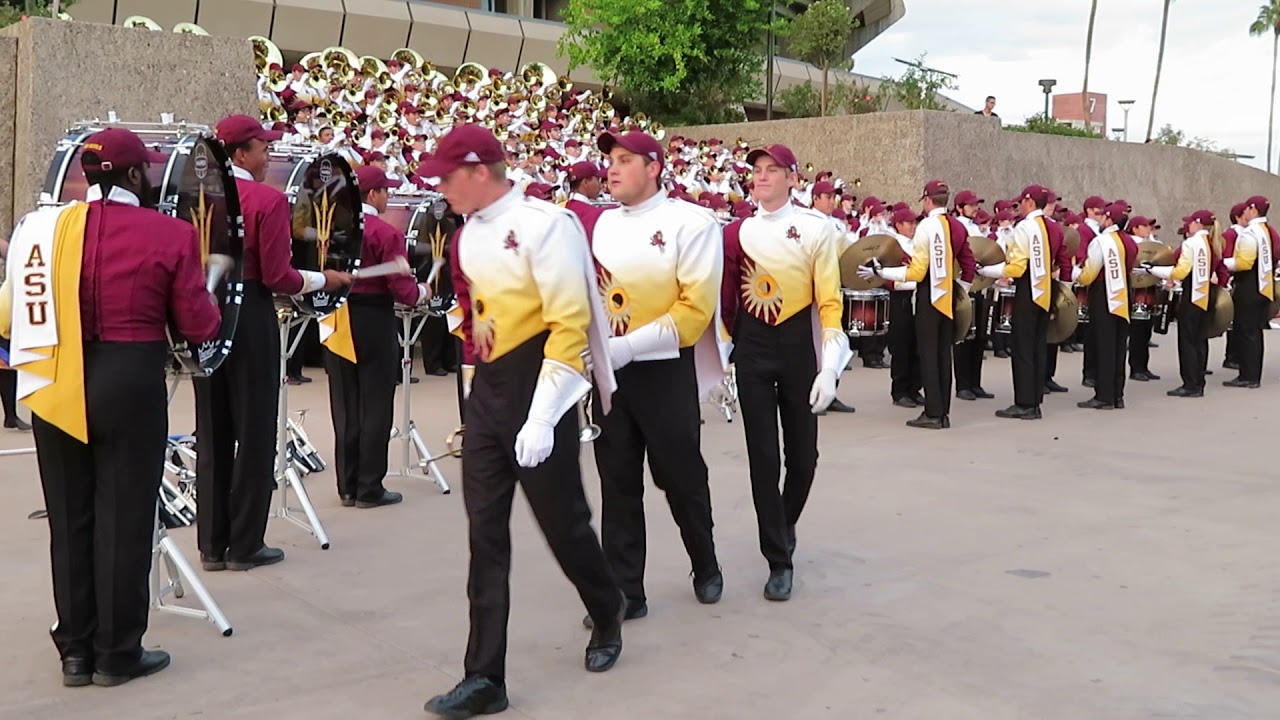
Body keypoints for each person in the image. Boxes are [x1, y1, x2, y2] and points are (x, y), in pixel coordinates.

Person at [0, 129, 221, 686]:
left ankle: (75, 652)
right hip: (129, 377)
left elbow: (8, 315)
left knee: (69, 518)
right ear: (134, 175)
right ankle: (117, 652)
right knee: (124, 518)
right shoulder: (170, 233)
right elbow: (199, 325)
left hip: (55, 377)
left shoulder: (41, 229)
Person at [421, 124, 626, 719]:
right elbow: (472, 321)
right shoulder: (464, 236)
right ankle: (484, 676)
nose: (441, 187)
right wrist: (474, 390)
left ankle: (607, 605)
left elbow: (568, 324)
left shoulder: (547, 225)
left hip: (542, 392)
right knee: (485, 535)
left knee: (564, 524)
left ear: (479, 170)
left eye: (448, 176)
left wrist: (540, 418)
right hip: (490, 395)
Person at [196, 115, 351, 573]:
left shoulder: (198, 195)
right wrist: (324, 278)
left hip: (205, 313)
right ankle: (245, 544)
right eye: (263, 148)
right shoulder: (267, 200)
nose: (268, 157)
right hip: (249, 316)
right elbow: (279, 276)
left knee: (213, 431)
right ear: (241, 154)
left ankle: (212, 544)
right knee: (256, 430)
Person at [587, 130, 725, 621]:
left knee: (681, 478)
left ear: (654, 167)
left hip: (664, 372)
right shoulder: (600, 224)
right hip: (612, 376)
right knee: (617, 483)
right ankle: (626, 591)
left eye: (625, 159)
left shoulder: (692, 223)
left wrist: (626, 347)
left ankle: (705, 563)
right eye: (610, 158)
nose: (612, 167)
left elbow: (694, 312)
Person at [724, 143, 849, 599]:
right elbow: (727, 301)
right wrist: (720, 357)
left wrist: (830, 367)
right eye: (756, 169)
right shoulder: (736, 232)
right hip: (753, 351)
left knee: (804, 458)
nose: (761, 176)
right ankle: (778, 559)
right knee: (763, 458)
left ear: (793, 178)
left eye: (772, 169)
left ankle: (783, 521)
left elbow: (830, 302)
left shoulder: (817, 228)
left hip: (798, 349)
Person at [323, 165, 432, 508]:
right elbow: (404, 292)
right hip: (373, 317)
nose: (388, 196)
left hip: (338, 317)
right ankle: (369, 486)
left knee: (344, 403)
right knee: (375, 403)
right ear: (373, 194)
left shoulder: (332, 228)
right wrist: (424, 291)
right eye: (385, 190)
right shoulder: (386, 233)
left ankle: (347, 485)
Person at [862, 180, 976, 429]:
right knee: (943, 355)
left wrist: (882, 272)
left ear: (927, 200)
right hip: (947, 295)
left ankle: (933, 413)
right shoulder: (957, 225)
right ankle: (943, 412)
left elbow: (916, 272)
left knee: (928, 354)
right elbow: (969, 265)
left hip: (928, 295)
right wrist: (962, 293)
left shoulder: (926, 227)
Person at [978, 185, 1071, 420]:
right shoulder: (1053, 227)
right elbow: (1062, 259)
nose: (1019, 206)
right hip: (1045, 290)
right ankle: (1035, 399)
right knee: (1038, 346)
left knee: (1022, 348)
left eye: (1021, 202)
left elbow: (1017, 267)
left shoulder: (1024, 227)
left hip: (1028, 289)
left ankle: (1025, 403)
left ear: (1030, 202)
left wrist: (987, 270)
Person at [1072, 203, 1138, 409]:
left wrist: (1072, 271)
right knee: (1119, 345)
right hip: (1123, 294)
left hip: (1104, 294)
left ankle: (1104, 395)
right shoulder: (1130, 242)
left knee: (1103, 345)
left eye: (1103, 217)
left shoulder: (1101, 242)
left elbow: (1088, 275)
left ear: (1109, 220)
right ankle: (1117, 395)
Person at [1145, 210, 1217, 397]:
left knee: (1187, 341)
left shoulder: (1190, 243)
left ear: (1198, 223)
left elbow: (1180, 272)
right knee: (1200, 340)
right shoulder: (1211, 242)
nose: (1188, 225)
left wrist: (1154, 270)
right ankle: (1198, 382)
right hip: (1205, 294)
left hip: (1191, 295)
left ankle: (1190, 384)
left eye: (1191, 222)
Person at [1221, 195, 1276, 389]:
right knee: (1254, 332)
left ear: (1253, 210)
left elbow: (1244, 263)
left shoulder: (1250, 233)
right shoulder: (1267, 231)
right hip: (1263, 285)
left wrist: (1221, 263)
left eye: (1246, 209)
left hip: (1248, 287)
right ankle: (1252, 373)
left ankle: (1248, 375)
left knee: (1245, 331)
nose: (1244, 212)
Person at [951, 190, 993, 401]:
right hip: (964, 286)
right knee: (964, 337)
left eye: (976, 205)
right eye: (970, 205)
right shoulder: (957, 227)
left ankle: (975, 382)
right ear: (959, 207)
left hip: (980, 285)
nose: (975, 208)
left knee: (979, 337)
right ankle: (963, 384)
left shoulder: (976, 228)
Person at [884, 207, 924, 407]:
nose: (913, 226)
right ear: (898, 225)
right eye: (909, 223)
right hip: (900, 299)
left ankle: (915, 388)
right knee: (902, 346)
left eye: (915, 223)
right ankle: (900, 391)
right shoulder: (892, 247)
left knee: (918, 346)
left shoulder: (918, 245)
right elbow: (889, 280)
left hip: (918, 299)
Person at [1124, 216, 1161, 382]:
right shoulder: (1133, 244)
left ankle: (1143, 366)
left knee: (1146, 331)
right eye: (1145, 226)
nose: (1148, 229)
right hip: (1137, 292)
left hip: (1149, 290)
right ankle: (1136, 368)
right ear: (1135, 229)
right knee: (1138, 331)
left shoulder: (1150, 244)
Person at [1220, 203, 1248, 371]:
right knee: (1234, 321)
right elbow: (1226, 257)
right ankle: (1231, 356)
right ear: (1237, 217)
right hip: (1232, 280)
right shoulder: (1231, 234)